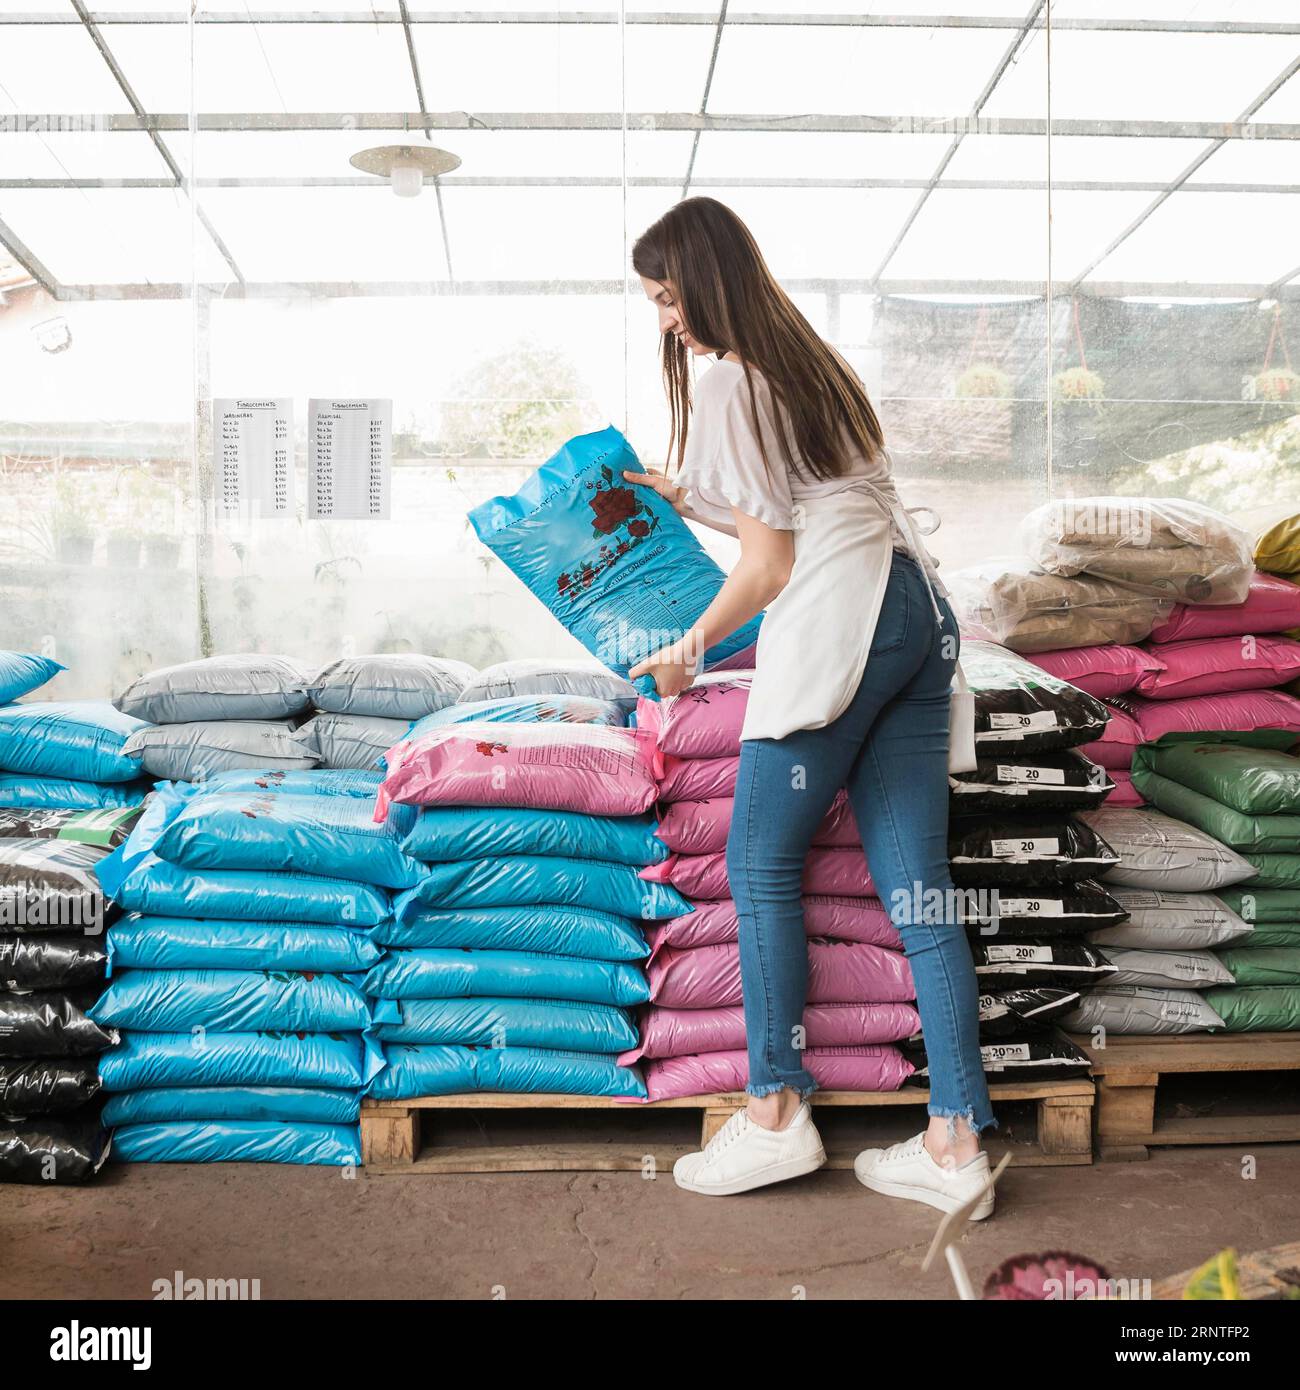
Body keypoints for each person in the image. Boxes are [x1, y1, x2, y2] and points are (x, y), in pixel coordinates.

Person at [623, 197, 997, 1216]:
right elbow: (794, 498)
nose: (665, 319)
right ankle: (956, 1142)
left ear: (703, 281)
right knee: (918, 892)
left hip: (844, 618)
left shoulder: (730, 376)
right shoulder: (810, 362)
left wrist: (688, 651)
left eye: (667, 297)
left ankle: (778, 1114)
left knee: (758, 862)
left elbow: (772, 557)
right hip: (917, 612)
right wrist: (678, 490)